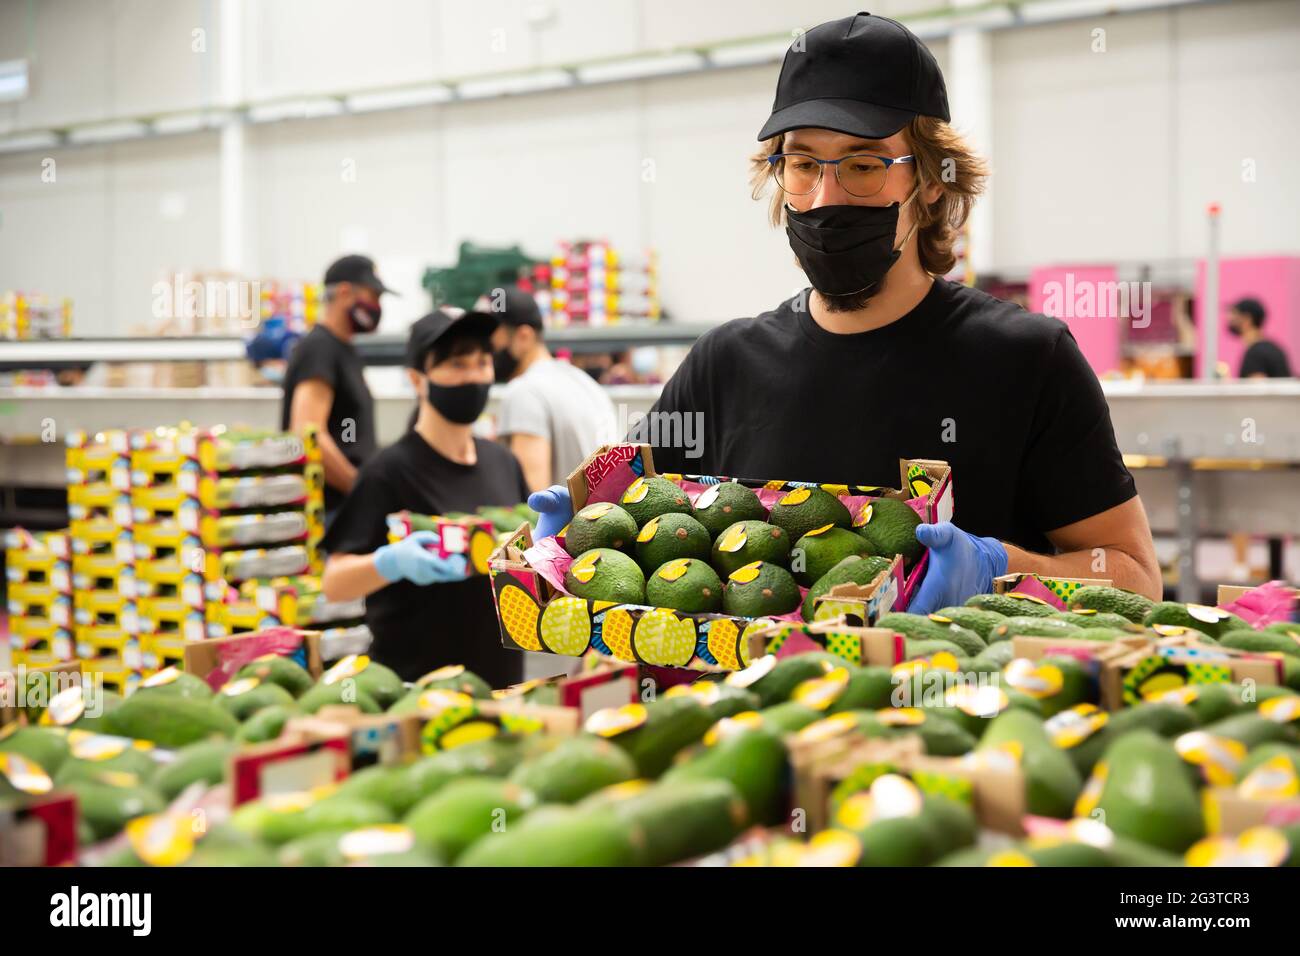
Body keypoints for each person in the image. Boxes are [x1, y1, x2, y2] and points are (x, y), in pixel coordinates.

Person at [529, 13, 1162, 612]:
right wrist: (577, 539)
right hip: (753, 720)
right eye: (803, 164)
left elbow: (1135, 578)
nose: (826, 196)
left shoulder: (1026, 358)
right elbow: (635, 528)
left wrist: (1000, 569)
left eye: (863, 164)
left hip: (949, 717)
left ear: (934, 179)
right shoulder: (725, 365)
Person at [320, 309, 528, 686]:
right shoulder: (387, 472)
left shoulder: (503, 461)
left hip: (502, 684)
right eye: (457, 364)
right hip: (417, 689)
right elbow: (334, 583)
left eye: (483, 362)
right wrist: (389, 563)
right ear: (418, 379)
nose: (474, 376)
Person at [280, 255, 393, 518]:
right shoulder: (320, 348)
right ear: (344, 292)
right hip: (328, 513)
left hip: (342, 508)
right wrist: (359, 489)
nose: (377, 306)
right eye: (373, 296)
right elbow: (307, 434)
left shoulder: (345, 349)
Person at [486, 286, 618, 492]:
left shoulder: (524, 392)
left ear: (523, 336)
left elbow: (533, 501)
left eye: (492, 340)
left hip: (567, 524)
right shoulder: (584, 382)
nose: (486, 351)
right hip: (605, 519)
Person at [1229, 298, 1292, 378]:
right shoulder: (1271, 348)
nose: (1230, 319)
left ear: (1247, 318)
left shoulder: (1256, 353)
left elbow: (1255, 388)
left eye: (1234, 314)